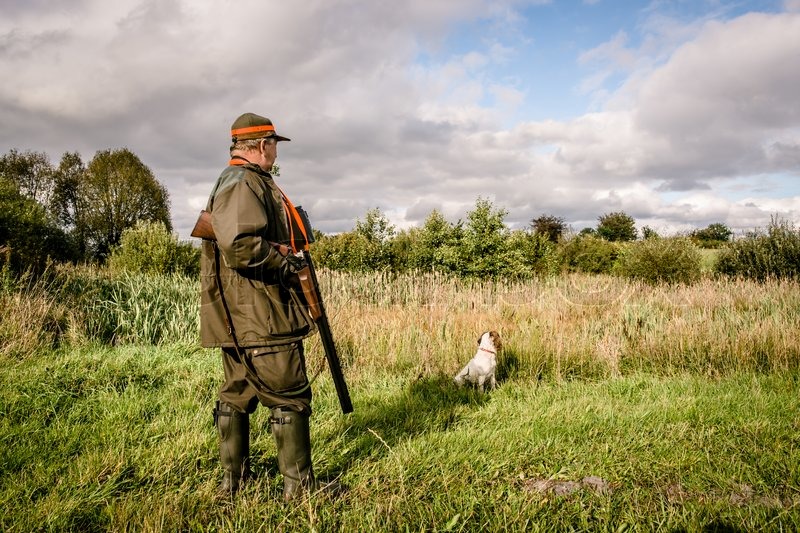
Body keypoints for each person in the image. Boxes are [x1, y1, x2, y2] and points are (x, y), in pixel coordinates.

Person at [199, 112, 324, 501]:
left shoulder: (240, 180)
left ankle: (233, 485)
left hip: (242, 315)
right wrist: (287, 263)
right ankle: (300, 492)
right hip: (261, 313)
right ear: (261, 145)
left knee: (238, 392)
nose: (275, 152)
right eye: (273, 145)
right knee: (288, 393)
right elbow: (239, 245)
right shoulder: (244, 182)